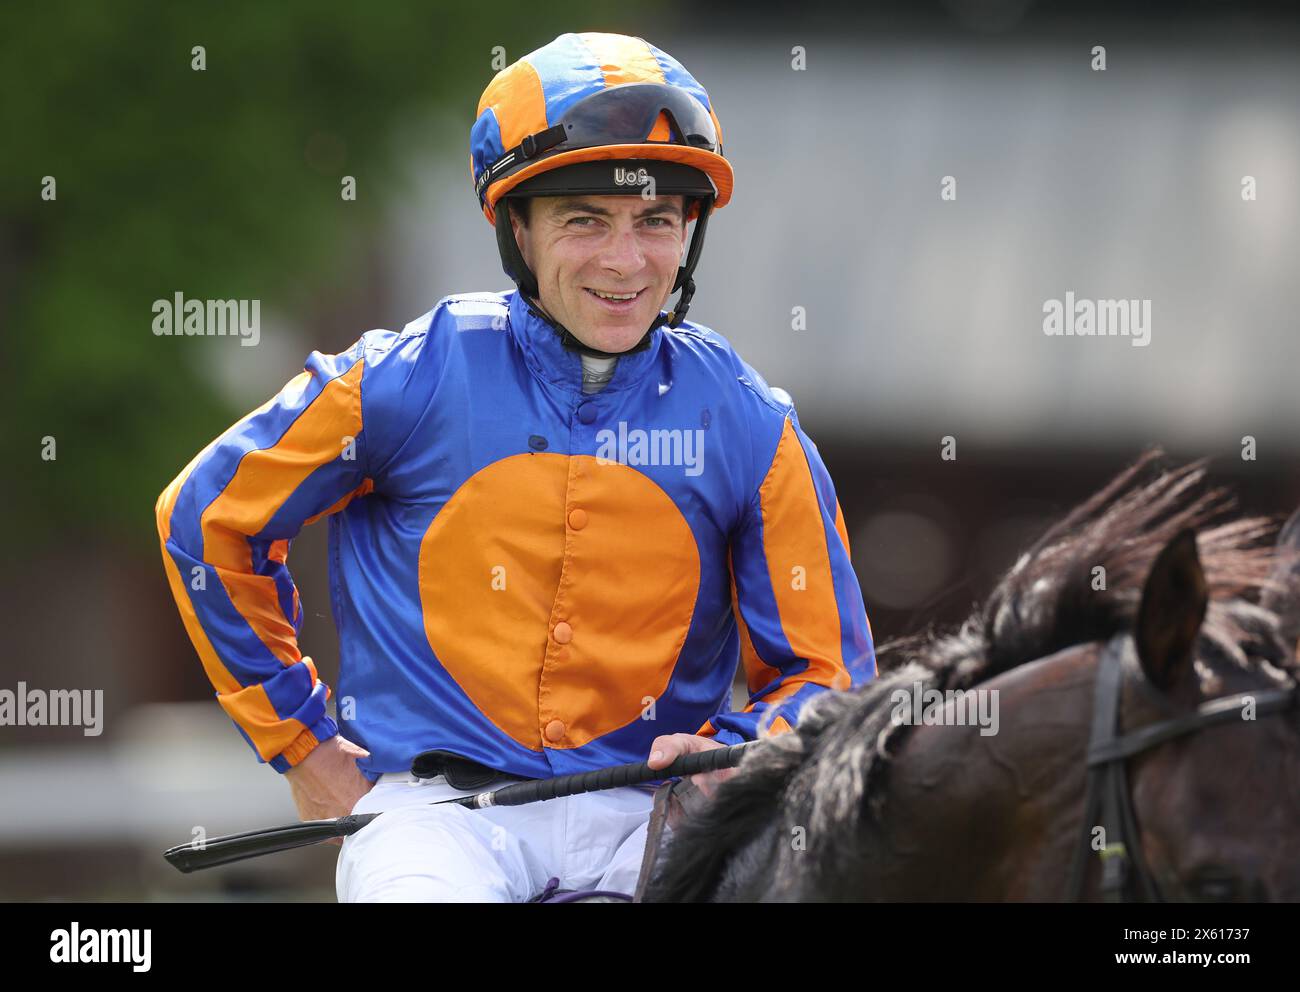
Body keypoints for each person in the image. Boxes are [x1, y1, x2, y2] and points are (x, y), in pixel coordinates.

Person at [154, 30, 875, 903]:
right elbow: (206, 519)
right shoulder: (407, 378)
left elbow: (829, 672)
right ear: (516, 230)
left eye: (656, 221)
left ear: (690, 232)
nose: (626, 260)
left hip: (656, 818)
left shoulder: (752, 424)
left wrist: (743, 752)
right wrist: (300, 744)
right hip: (436, 823)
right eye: (585, 220)